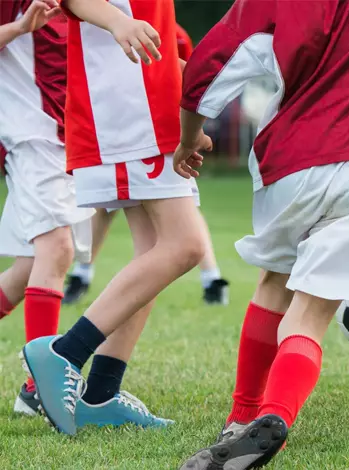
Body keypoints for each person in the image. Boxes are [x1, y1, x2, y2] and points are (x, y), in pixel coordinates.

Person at [176, 0, 349, 468]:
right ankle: (273, 417)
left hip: (290, 167)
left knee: (274, 283)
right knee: (309, 313)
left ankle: (241, 418)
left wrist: (190, 138)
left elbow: (211, 62)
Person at [22, 0, 206, 435]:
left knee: (154, 252)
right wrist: (118, 22)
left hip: (146, 107)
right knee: (186, 245)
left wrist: (182, 106)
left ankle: (102, 393)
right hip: (126, 113)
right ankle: (65, 352)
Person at [63, 22, 230, 307]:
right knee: (126, 219)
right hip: (124, 132)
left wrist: (189, 133)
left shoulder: (173, 32)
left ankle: (211, 278)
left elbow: (183, 79)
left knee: (174, 224)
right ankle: (81, 275)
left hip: (159, 137)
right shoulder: (110, 18)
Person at [0, 0, 96, 416]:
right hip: (32, 136)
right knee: (57, 249)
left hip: (66, 137)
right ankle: (38, 387)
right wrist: (21, 26)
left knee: (27, 268)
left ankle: (38, 384)